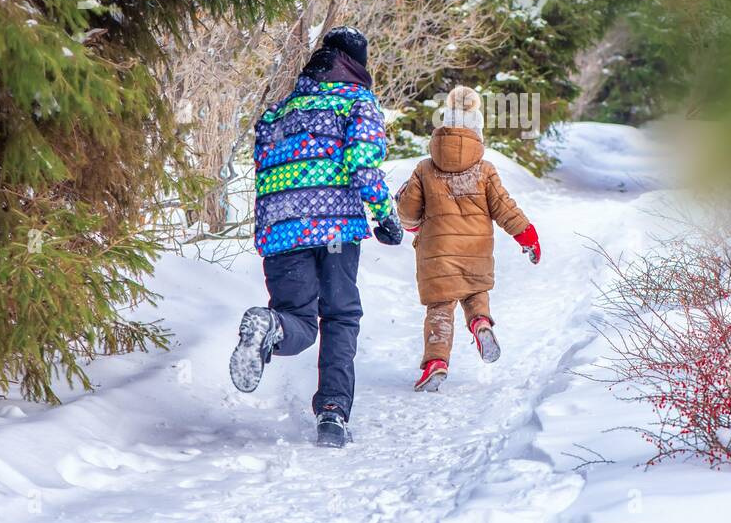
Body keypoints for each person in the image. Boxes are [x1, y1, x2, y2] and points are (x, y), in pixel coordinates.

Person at [228, 27, 403, 447]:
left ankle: (270, 325)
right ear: (357, 64)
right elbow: (363, 162)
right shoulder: (357, 101)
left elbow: (265, 168)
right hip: (336, 229)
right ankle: (332, 414)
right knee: (340, 316)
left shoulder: (278, 110)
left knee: (299, 319)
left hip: (281, 230)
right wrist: (385, 217)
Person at [394, 86, 541, 392]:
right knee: (475, 294)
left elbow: (408, 213)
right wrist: (527, 235)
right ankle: (480, 323)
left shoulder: (424, 169)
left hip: (436, 254)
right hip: (475, 250)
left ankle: (436, 363)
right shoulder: (484, 170)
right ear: (477, 130)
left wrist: (407, 216)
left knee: (440, 309)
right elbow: (505, 208)